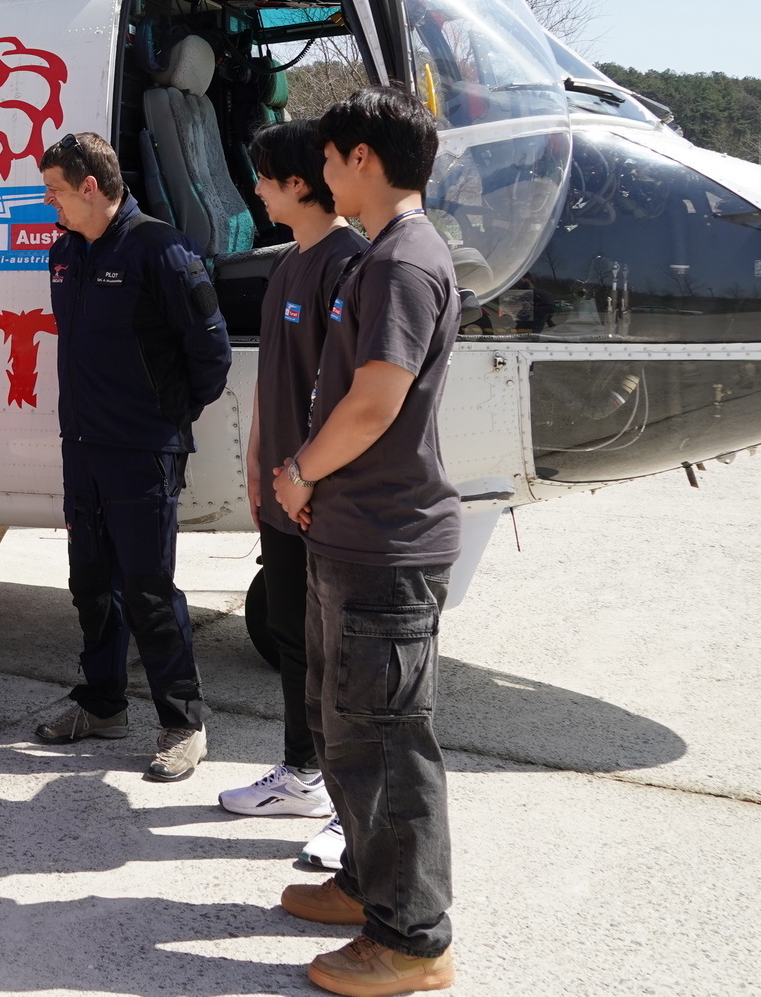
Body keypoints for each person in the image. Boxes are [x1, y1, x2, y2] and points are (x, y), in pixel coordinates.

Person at [271, 87, 460, 997]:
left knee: (385, 742)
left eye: (332, 158)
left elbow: (376, 401)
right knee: (347, 729)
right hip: (355, 534)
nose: (323, 172)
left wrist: (301, 471)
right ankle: (365, 888)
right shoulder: (384, 254)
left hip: (384, 541)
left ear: (364, 162)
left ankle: (412, 940)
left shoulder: (399, 264)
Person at [33, 131, 232, 782]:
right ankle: (101, 704)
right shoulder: (65, 253)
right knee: (92, 584)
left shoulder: (162, 250)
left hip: (143, 450)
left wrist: (162, 419)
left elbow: (211, 357)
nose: (48, 201)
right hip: (84, 448)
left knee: (147, 589)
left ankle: (183, 723)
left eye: (55, 190)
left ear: (90, 187)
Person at [221, 121, 366, 849]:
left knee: (338, 653)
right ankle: (301, 776)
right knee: (292, 638)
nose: (256, 188)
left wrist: (308, 477)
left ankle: (350, 810)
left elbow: (351, 396)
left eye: (265, 177)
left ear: (300, 183)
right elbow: (273, 380)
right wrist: (256, 459)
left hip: (322, 495)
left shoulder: (351, 264)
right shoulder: (286, 263)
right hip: (281, 488)